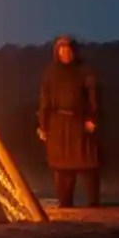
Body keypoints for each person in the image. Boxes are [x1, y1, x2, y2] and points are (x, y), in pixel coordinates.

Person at [37, 35, 102, 207]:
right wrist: (43, 125)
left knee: (88, 164)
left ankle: (94, 203)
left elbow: (93, 96)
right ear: (57, 52)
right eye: (61, 50)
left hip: (79, 121)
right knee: (62, 167)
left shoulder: (84, 71)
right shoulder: (51, 72)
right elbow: (45, 100)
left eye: (68, 50)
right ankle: (65, 202)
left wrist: (91, 117)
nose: (65, 53)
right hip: (57, 122)